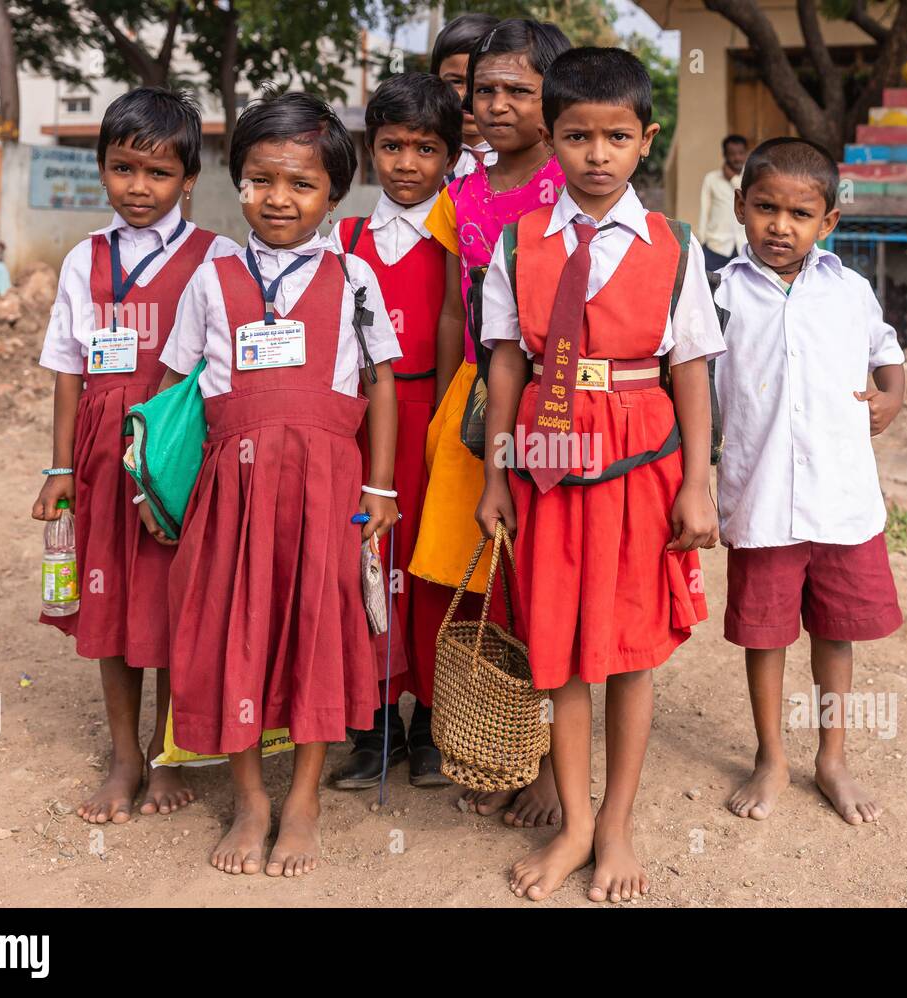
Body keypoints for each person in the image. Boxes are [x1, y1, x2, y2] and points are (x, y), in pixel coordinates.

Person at [477, 47, 724, 902]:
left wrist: (698, 481)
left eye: (616, 137)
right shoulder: (519, 244)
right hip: (548, 464)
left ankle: (615, 824)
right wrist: (496, 474)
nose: (596, 155)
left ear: (645, 140)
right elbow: (504, 365)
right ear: (550, 139)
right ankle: (575, 825)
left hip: (640, 466)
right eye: (577, 136)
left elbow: (690, 368)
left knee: (626, 651)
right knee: (561, 652)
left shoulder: (674, 246)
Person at [152, 90, 401, 877]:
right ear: (237, 182)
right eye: (261, 180)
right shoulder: (211, 279)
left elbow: (382, 383)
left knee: (317, 630)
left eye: (300, 184)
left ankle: (304, 800)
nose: (278, 198)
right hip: (233, 489)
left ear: (333, 192)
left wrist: (382, 488)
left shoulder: (355, 276)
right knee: (238, 629)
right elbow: (174, 390)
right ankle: (252, 799)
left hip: (329, 485)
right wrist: (158, 484)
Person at [32, 87, 241, 826]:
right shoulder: (84, 259)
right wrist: (60, 471)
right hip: (99, 448)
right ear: (100, 170)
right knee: (112, 599)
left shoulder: (219, 257)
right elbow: (67, 367)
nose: (139, 187)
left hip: (177, 455)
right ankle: (123, 756)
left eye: (158, 173)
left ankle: (164, 754)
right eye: (124, 169)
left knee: (172, 600)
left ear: (189, 179)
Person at [713, 137, 905, 826]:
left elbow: (888, 354)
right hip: (761, 501)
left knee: (836, 631)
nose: (780, 226)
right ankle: (771, 756)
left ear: (828, 222)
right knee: (766, 635)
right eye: (765, 208)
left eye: (800, 213)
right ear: (740, 205)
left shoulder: (849, 291)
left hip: (842, 501)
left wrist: (892, 396)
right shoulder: (720, 295)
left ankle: (832, 757)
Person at [413, 17, 571, 827]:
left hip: (556, 397)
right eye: (485, 90)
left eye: (519, 91)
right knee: (488, 575)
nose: (497, 105)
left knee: (547, 578)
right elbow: (450, 312)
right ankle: (499, 739)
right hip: (477, 397)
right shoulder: (462, 195)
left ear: (554, 102)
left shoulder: (571, 186)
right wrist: (449, 410)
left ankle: (549, 766)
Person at [333, 72, 462, 789]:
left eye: (425, 148)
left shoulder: (462, 238)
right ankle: (373, 726)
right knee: (368, 569)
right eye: (391, 146)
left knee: (432, 571)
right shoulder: (345, 235)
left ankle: (433, 726)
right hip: (367, 427)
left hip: (435, 424)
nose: (407, 164)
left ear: (450, 156)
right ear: (369, 149)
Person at [431, 12, 500, 181]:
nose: (468, 97)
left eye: (483, 86)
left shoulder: (526, 159)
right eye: (456, 82)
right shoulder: (420, 150)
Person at [698, 134, 748, 271]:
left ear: (746, 154)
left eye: (741, 153)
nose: (737, 157)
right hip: (715, 247)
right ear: (724, 154)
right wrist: (703, 241)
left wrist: (732, 179)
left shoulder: (750, 179)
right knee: (712, 289)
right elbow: (704, 211)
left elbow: (747, 196)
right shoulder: (711, 179)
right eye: (732, 154)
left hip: (744, 246)